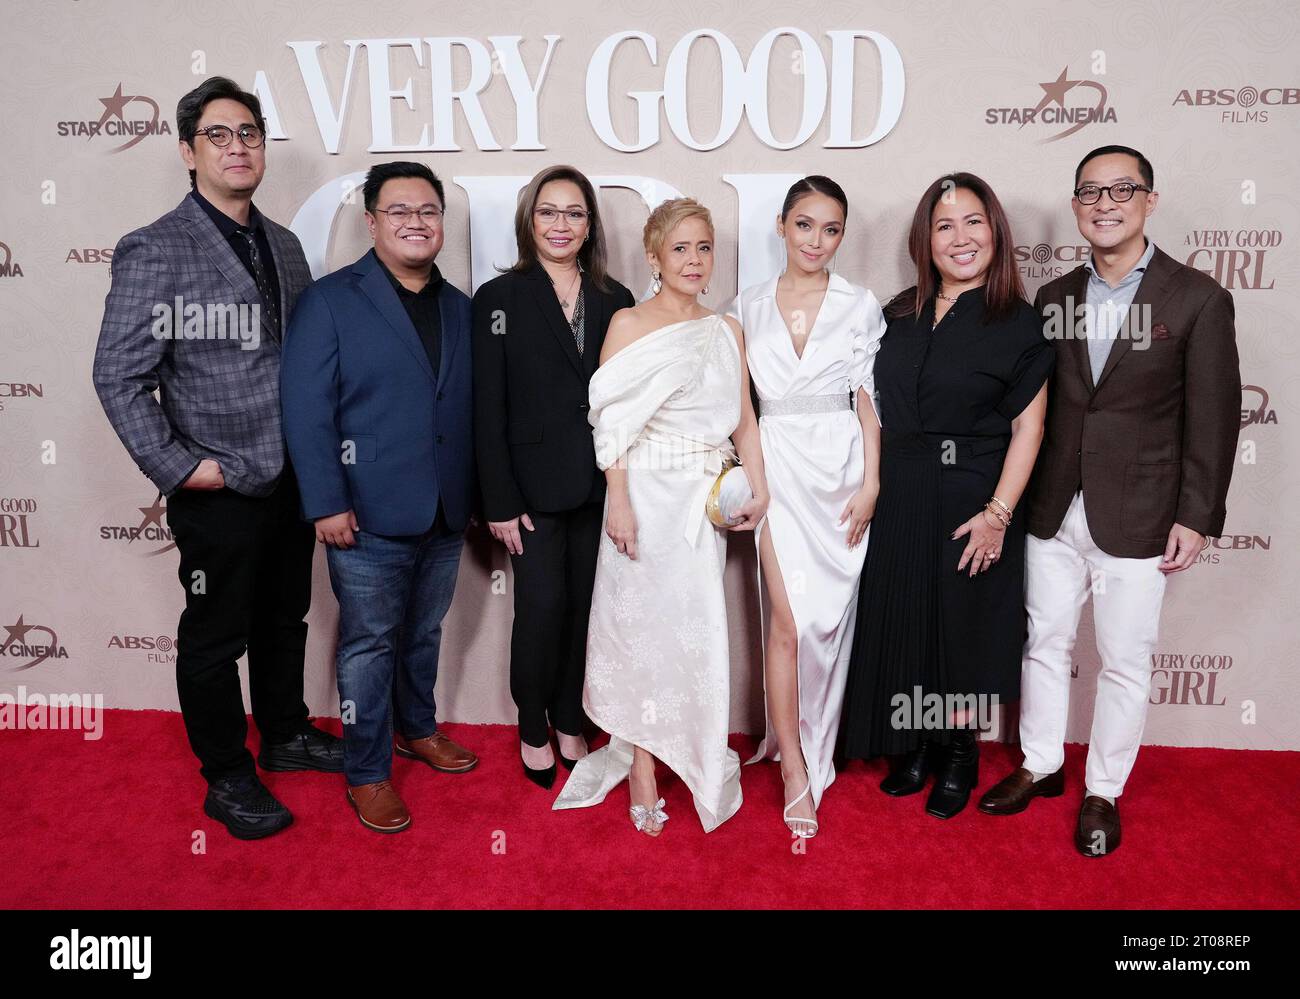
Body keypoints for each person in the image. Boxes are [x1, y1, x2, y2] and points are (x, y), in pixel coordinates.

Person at [92, 76, 342, 841]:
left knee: (285, 618)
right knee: (213, 634)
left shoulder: (286, 243)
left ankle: (286, 730)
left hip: (290, 478)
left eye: (250, 135)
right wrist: (180, 467)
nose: (239, 148)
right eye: (220, 136)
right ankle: (226, 774)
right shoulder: (155, 247)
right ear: (187, 151)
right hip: (218, 485)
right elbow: (117, 374)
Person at [979, 145, 1241, 856]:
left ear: (1150, 201)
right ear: (1075, 206)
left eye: (1121, 189)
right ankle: (1040, 764)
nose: (1105, 203)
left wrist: (1198, 513)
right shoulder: (1054, 296)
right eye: (1090, 191)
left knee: (1125, 657)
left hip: (1143, 511)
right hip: (1053, 505)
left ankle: (1104, 789)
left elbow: (1215, 418)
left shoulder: (1197, 299)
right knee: (1045, 643)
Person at [839, 173, 1054, 820]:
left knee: (962, 631)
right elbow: (866, 399)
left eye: (973, 223)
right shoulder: (898, 312)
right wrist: (871, 483)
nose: (960, 238)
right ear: (924, 240)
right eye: (944, 225)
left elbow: (1030, 426)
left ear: (995, 233)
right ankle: (918, 745)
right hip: (900, 492)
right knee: (910, 618)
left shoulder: (1020, 322)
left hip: (974, 496)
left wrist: (998, 514)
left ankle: (959, 751)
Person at [552, 198, 769, 834]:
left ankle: (692, 747)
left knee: (692, 629)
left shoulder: (727, 330)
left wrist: (755, 489)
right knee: (639, 631)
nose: (695, 261)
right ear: (654, 256)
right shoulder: (627, 323)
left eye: (704, 248)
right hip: (643, 497)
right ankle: (642, 765)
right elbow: (611, 424)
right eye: (680, 249)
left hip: (703, 504)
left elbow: (745, 422)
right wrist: (617, 498)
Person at [280, 161, 478, 834]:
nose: (416, 222)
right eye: (399, 211)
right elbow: (307, 411)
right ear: (371, 221)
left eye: (428, 210)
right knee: (368, 646)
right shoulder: (332, 300)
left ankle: (416, 727)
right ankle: (366, 772)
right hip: (362, 516)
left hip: (446, 510)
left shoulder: (462, 307)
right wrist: (325, 503)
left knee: (422, 632)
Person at [728, 176, 885, 838]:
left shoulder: (859, 302)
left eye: (830, 228)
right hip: (776, 472)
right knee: (786, 624)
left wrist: (873, 480)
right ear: (782, 226)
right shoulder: (747, 305)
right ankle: (794, 766)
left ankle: (818, 738)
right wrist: (752, 480)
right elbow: (742, 410)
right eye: (804, 225)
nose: (816, 240)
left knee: (826, 625)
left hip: (842, 470)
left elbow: (867, 397)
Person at [472, 166, 635, 789]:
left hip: (600, 486)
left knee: (585, 610)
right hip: (529, 490)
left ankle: (571, 715)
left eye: (574, 213)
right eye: (549, 212)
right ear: (529, 221)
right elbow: (487, 407)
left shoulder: (614, 297)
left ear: (590, 225)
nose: (561, 224)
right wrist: (499, 501)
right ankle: (532, 726)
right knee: (541, 608)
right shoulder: (498, 300)